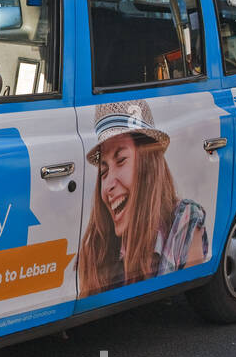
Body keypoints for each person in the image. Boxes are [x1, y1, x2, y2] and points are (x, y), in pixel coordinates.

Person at [79, 101, 209, 297]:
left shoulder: (184, 222)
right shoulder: (96, 248)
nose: (108, 186)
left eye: (121, 160)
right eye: (103, 171)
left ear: (148, 163)